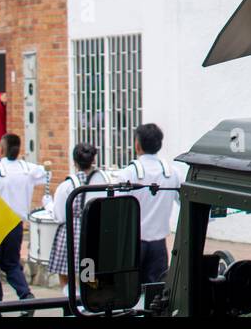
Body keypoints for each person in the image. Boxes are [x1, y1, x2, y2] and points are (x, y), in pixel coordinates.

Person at [0, 133, 48, 314]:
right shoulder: (27, 169)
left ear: (1, 150)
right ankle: (26, 296)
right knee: (11, 264)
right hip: (15, 225)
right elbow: (44, 173)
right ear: (18, 150)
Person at [113, 123, 182, 285]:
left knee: (129, 290)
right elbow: (186, 202)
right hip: (159, 245)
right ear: (159, 144)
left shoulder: (128, 174)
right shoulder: (172, 173)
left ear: (137, 145)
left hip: (132, 244)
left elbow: (116, 211)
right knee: (157, 291)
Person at [49, 143, 108, 288]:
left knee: (67, 276)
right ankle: (90, 304)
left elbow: (60, 216)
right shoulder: (102, 181)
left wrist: (48, 205)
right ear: (93, 160)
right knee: (89, 277)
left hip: (72, 233)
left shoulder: (67, 185)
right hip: (94, 232)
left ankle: (70, 304)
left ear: (74, 162)